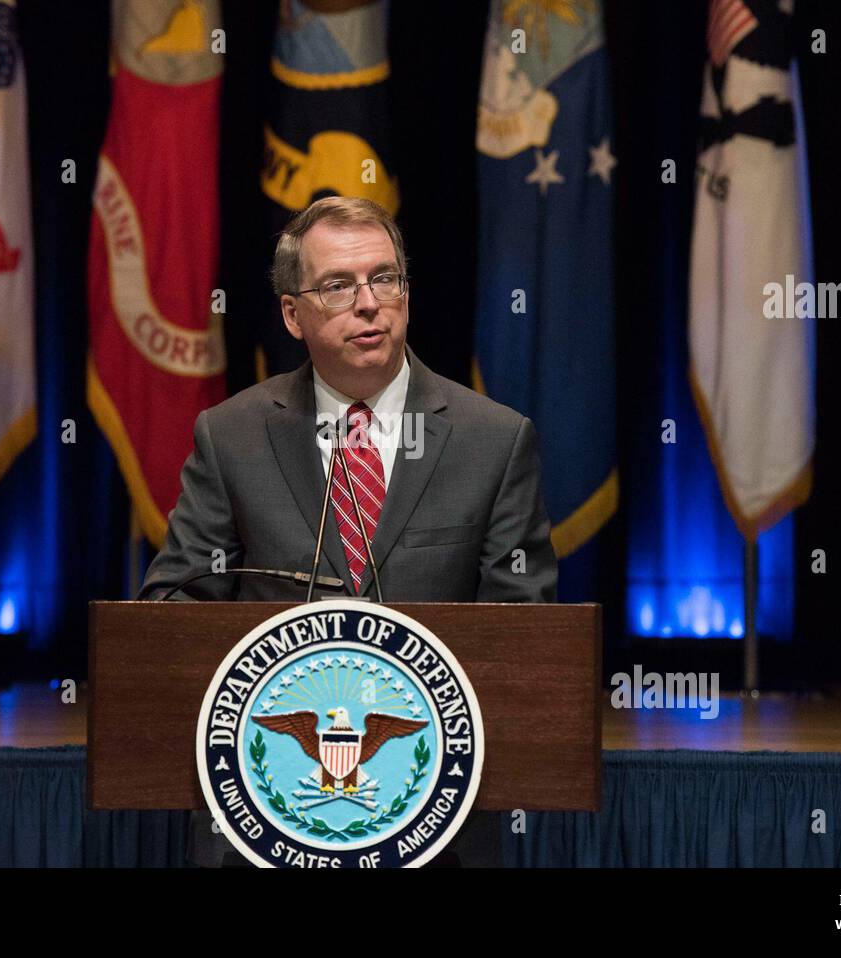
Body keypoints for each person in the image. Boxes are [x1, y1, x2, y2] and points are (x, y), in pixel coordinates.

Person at [141, 195, 557, 864]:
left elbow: (524, 633)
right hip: (264, 816)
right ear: (292, 314)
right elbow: (171, 610)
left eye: (385, 278)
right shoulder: (234, 437)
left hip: (434, 826)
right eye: (337, 286)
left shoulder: (495, 441)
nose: (369, 303)